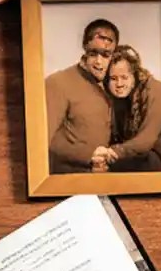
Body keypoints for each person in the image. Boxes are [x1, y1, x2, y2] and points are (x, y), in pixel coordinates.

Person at [46, 19, 117, 174]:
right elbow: (43, 140)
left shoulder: (113, 83)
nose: (98, 62)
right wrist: (88, 155)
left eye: (106, 54)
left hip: (101, 179)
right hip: (68, 182)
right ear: (85, 48)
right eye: (93, 53)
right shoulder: (58, 82)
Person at [96, 45, 161, 172]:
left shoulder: (154, 90)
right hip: (135, 156)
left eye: (124, 77)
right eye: (113, 79)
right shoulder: (115, 99)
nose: (119, 84)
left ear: (134, 76)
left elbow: (147, 139)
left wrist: (113, 152)